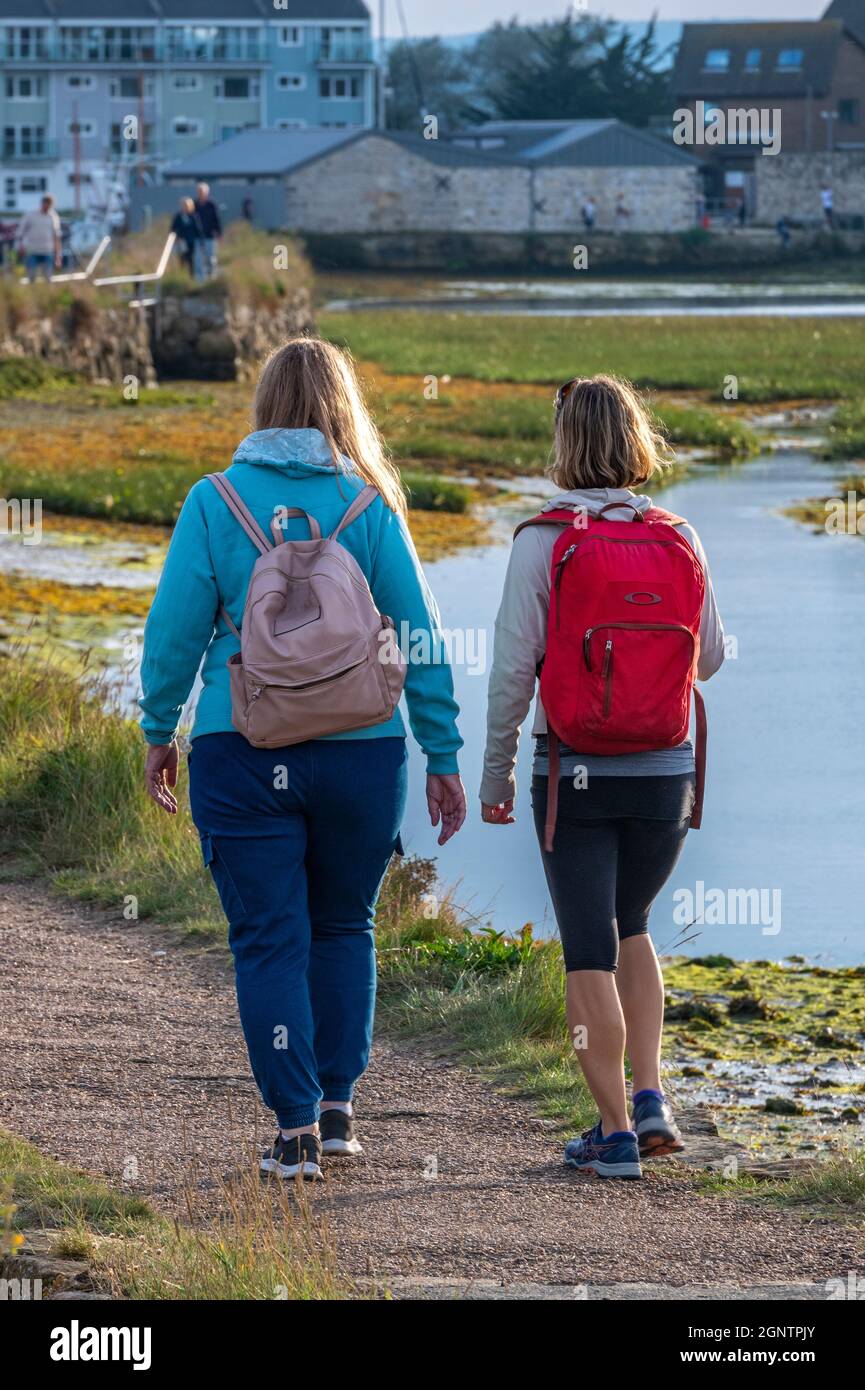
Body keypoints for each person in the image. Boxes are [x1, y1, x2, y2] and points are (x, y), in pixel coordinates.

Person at [139, 337, 466, 1181]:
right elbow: (421, 634)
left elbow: (174, 630)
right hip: (360, 754)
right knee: (342, 926)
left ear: (263, 405)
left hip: (240, 746)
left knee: (268, 940)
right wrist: (442, 750)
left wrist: (157, 730)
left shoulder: (213, 502)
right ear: (340, 408)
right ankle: (336, 1110)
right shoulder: (367, 506)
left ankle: (290, 1133)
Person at [480, 375, 724, 1181]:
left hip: (573, 774)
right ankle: (651, 1097)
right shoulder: (679, 534)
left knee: (587, 945)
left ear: (564, 443)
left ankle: (614, 1134)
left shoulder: (542, 540)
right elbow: (710, 658)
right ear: (635, 437)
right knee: (633, 926)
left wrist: (494, 776)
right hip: (665, 773)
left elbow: (513, 670)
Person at [17, 194, 61, 280]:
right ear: (42, 203)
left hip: (47, 251)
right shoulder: (30, 215)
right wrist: (20, 246)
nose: (47, 207)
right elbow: (20, 232)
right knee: (31, 277)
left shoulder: (53, 217)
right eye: (46, 204)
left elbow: (56, 237)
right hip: (32, 251)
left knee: (48, 277)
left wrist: (58, 256)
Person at [194, 181, 222, 278]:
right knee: (198, 258)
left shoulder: (212, 205)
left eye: (202, 191)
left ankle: (212, 275)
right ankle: (200, 278)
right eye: (199, 191)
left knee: (210, 257)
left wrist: (219, 233)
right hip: (197, 236)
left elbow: (216, 219)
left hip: (210, 235)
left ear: (207, 192)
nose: (200, 193)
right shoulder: (194, 205)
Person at [170, 197, 203, 277]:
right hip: (182, 242)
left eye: (187, 205)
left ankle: (192, 276)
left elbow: (198, 229)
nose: (185, 206)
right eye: (184, 205)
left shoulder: (194, 216)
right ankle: (182, 276)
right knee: (182, 259)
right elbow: (173, 229)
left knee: (191, 259)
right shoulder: (178, 216)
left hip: (191, 242)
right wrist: (176, 238)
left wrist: (201, 241)